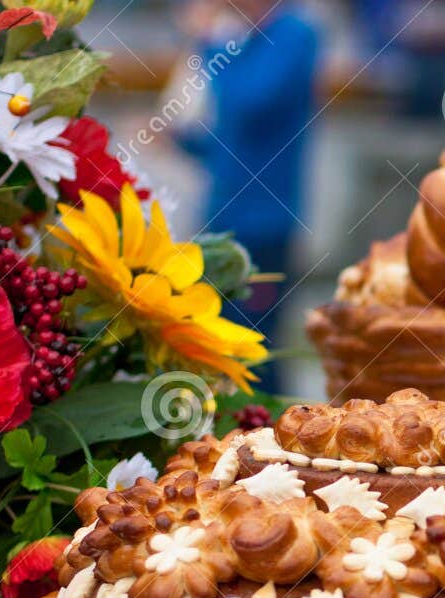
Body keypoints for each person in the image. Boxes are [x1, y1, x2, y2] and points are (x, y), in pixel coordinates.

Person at [175, 0, 321, 394]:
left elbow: (250, 102)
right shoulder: (246, 39)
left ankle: (271, 439)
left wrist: (207, 43)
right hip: (221, 219)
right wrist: (179, 138)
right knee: (218, 347)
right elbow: (228, 141)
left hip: (264, 224)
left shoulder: (295, 34)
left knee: (258, 348)